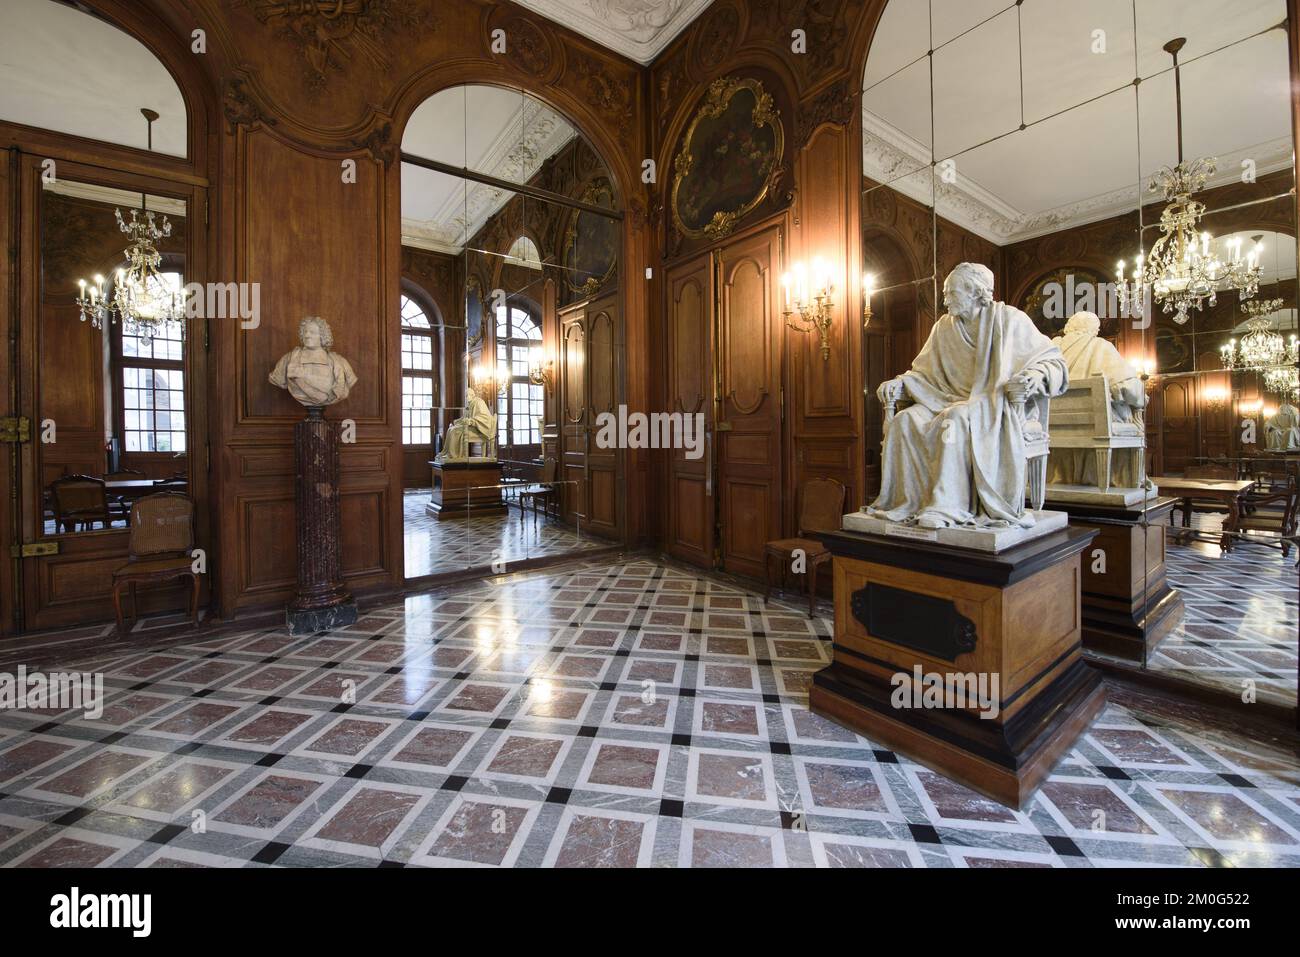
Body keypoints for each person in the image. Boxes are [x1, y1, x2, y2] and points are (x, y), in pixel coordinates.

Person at [867, 262, 1068, 529]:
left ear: (975, 292)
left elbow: (1054, 363)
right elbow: (924, 372)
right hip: (941, 398)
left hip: (990, 404)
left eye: (952, 293)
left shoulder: (1009, 320)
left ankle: (946, 506)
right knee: (905, 420)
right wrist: (900, 382)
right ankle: (908, 502)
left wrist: (1034, 376)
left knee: (956, 418)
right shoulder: (943, 327)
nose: (945, 299)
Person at [1048, 310, 1146, 487]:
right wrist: (1141, 396)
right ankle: (1129, 481)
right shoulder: (1100, 346)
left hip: (1052, 426)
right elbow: (1124, 386)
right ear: (1094, 330)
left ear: (1068, 328)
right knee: (1132, 418)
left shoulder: (1051, 349)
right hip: (1097, 425)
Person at [268, 317, 357, 407]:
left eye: (312, 332)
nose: (307, 335)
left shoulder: (340, 362)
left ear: (323, 335)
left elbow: (348, 382)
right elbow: (277, 379)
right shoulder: (288, 359)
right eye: (305, 332)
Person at [438, 387, 497, 461]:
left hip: (478, 429)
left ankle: (453, 455)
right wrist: (456, 421)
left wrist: (472, 421)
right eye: (465, 396)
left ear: (472, 395)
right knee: (450, 429)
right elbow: (464, 418)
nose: (466, 397)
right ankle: (446, 453)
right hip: (470, 427)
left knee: (454, 431)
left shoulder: (479, 402)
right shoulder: (469, 404)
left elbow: (484, 417)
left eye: (467, 395)